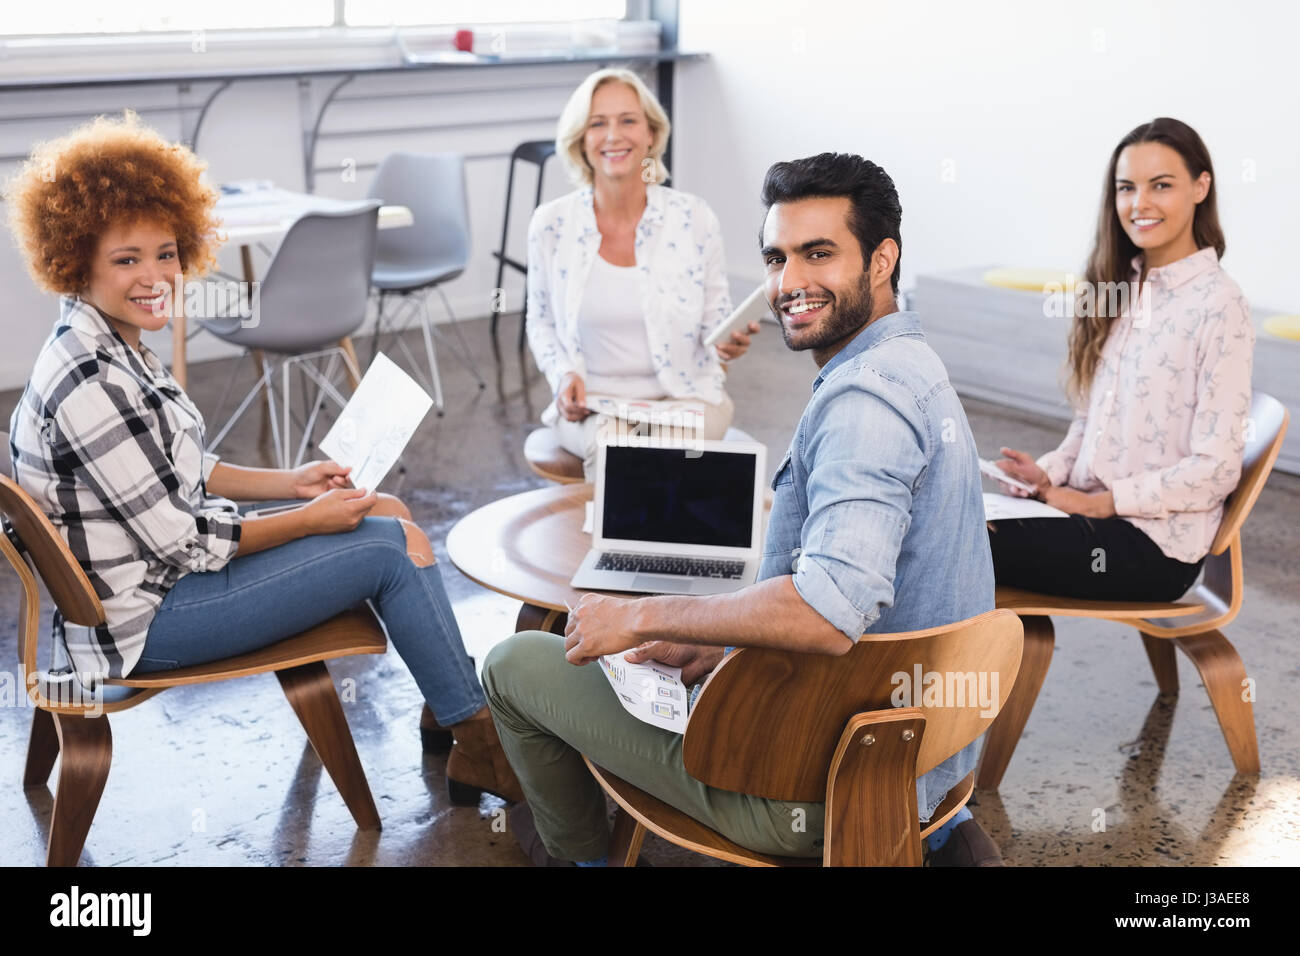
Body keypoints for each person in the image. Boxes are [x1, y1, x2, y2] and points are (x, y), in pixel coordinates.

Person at [484, 153, 1004, 867]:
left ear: (882, 261)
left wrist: (642, 613)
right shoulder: (913, 367)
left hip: (810, 789)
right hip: (922, 767)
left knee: (515, 663)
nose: (788, 284)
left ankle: (580, 858)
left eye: (818, 254)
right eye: (776, 258)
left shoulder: (866, 402)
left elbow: (828, 610)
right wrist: (725, 648)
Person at [4, 113, 521, 805]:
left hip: (150, 589)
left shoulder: (106, 339)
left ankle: (450, 712)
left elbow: (186, 470)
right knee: (393, 546)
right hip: (150, 623)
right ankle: (477, 739)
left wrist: (295, 481)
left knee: (387, 509)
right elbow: (187, 541)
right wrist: (309, 519)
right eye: (126, 259)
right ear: (75, 260)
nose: (155, 275)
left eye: (166, 252)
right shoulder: (91, 380)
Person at [990, 118, 1254, 601]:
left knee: (959, 545)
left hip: (1154, 547)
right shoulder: (1118, 288)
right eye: (1127, 187)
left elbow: (1216, 469)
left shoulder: (1221, 305)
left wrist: (1102, 505)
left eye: (1162, 186)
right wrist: (1050, 474)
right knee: (951, 520)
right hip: (1089, 513)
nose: (1140, 204)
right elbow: (1090, 422)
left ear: (1201, 186)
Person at [525, 68, 760, 475]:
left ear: (652, 133)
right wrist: (563, 376)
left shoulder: (694, 218)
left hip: (685, 399)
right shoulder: (551, 224)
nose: (613, 135)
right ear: (582, 138)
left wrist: (726, 341)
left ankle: (648, 539)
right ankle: (618, 541)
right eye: (598, 123)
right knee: (617, 453)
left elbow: (715, 320)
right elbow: (540, 321)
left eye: (628, 120)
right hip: (594, 406)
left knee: (655, 457)